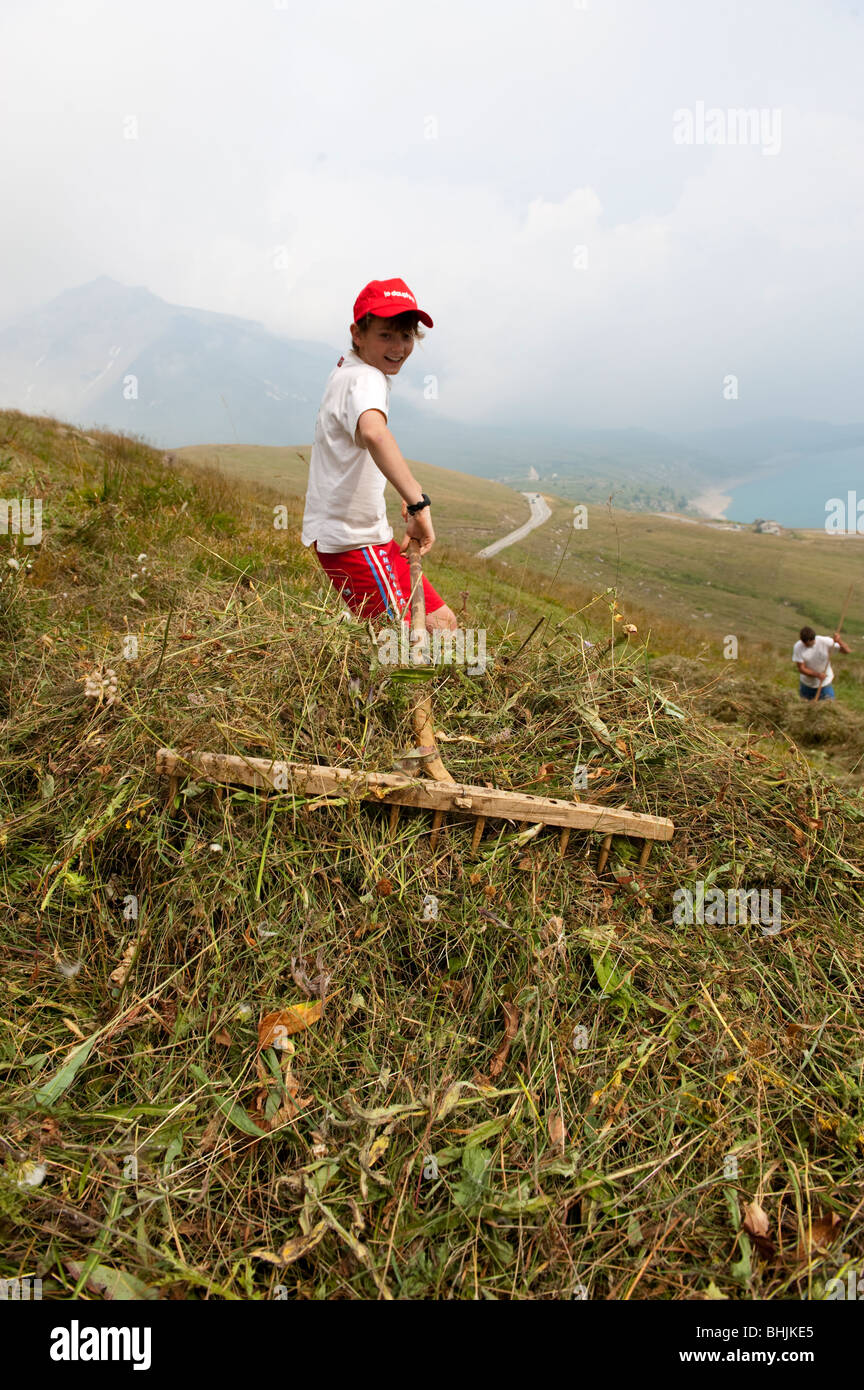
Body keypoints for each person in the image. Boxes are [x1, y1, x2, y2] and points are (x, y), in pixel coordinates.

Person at [301, 277, 457, 632]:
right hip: (355, 542)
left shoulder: (350, 370)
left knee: (442, 624)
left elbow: (363, 443)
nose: (398, 347)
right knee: (401, 642)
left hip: (365, 539)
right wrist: (418, 503)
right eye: (385, 335)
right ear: (358, 333)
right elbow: (374, 433)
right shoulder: (365, 379)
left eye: (406, 336)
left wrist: (405, 492)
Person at [792, 625, 851, 700]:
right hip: (807, 685)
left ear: (814, 639)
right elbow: (801, 668)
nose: (806, 645)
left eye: (809, 643)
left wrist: (839, 641)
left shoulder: (825, 641)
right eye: (805, 644)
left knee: (829, 708)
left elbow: (847, 651)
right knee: (806, 709)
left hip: (825, 684)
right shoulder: (798, 647)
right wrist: (818, 675)